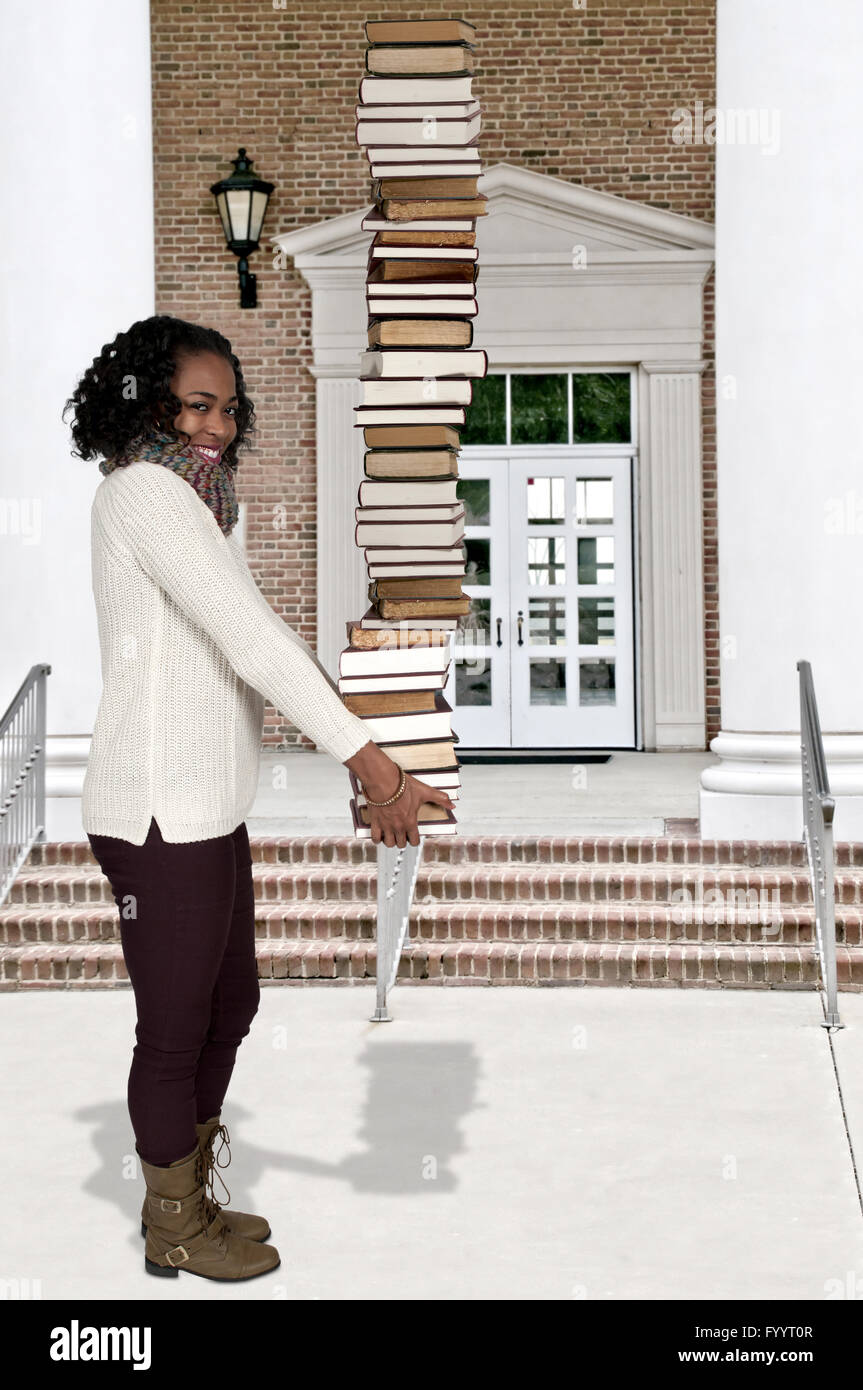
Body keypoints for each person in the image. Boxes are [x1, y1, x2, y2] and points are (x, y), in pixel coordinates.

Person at [64, 314, 453, 1281]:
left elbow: (256, 634)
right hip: (158, 805)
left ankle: (190, 1199)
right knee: (175, 1025)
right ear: (144, 402)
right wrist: (375, 767)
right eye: (196, 404)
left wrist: (364, 752)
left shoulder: (199, 504)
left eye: (229, 408)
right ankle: (171, 1225)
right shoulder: (145, 493)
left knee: (232, 1000)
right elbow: (249, 637)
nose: (218, 426)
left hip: (205, 804)